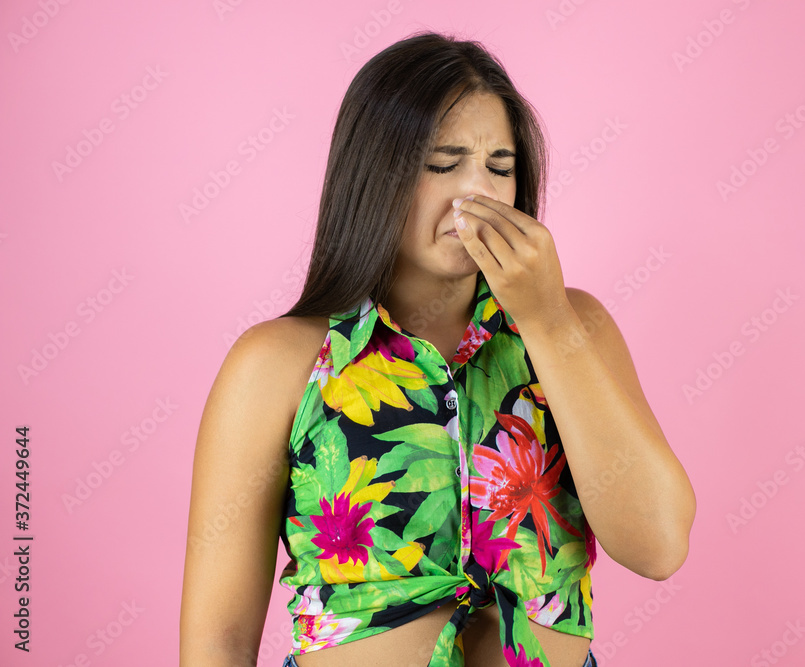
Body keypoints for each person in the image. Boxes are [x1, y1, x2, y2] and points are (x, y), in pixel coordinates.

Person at [180, 30, 696, 667]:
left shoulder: (574, 328)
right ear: (376, 176)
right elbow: (218, 640)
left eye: (499, 168)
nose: (475, 194)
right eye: (443, 164)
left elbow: (660, 545)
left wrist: (548, 321)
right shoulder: (278, 363)